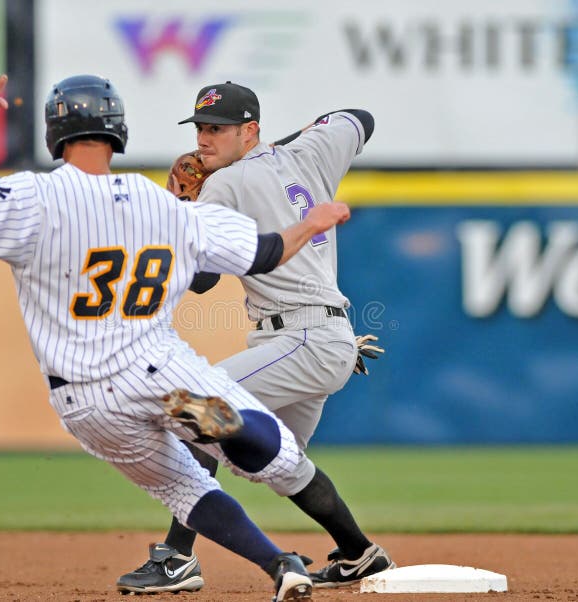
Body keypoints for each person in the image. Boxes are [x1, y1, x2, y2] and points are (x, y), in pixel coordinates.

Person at [0, 61, 354, 602]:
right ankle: (331, 545)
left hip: (87, 405)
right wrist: (309, 223)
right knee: (268, 448)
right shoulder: (158, 204)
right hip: (165, 383)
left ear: (54, 134)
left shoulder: (32, 197)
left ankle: (274, 561)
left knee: (185, 488)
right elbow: (263, 253)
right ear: (118, 131)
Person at [117, 82, 394, 595]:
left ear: (249, 130)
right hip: (319, 337)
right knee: (281, 466)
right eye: (201, 128)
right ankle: (360, 553)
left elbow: (201, 280)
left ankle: (176, 558)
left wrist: (184, 206)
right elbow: (360, 116)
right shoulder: (311, 153)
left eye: (218, 129)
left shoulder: (225, 183)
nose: (204, 139)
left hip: (303, 339)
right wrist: (280, 147)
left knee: (197, 409)